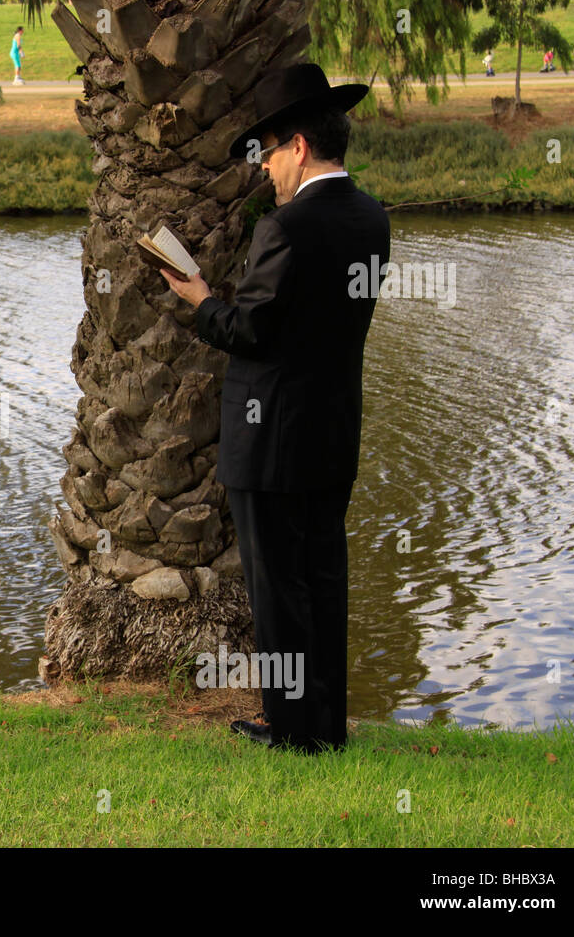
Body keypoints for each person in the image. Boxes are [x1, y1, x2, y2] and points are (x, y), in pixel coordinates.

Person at [160, 63, 391, 755]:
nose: (263, 170)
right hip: (332, 432)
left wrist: (199, 297)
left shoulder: (287, 229)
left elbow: (251, 333)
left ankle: (293, 734)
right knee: (322, 580)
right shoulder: (372, 218)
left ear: (296, 145)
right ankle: (323, 723)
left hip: (272, 442)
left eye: (267, 154)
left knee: (278, 592)